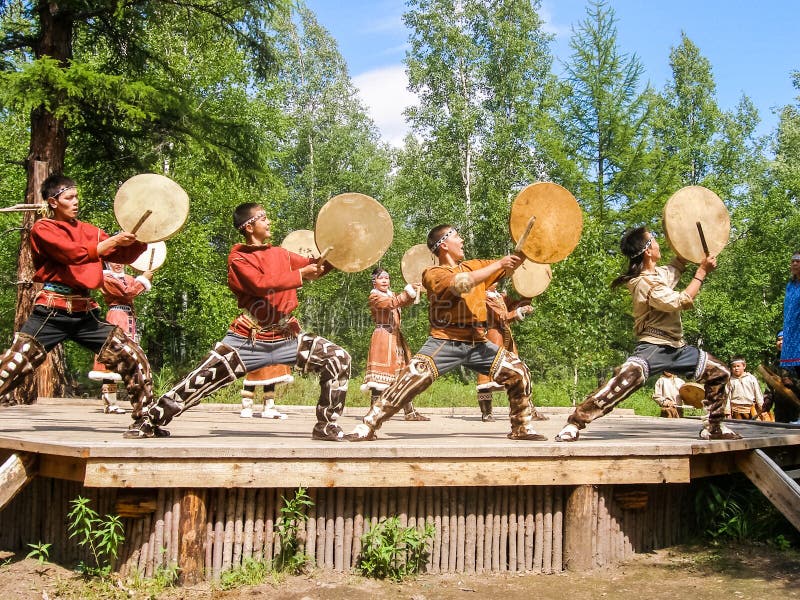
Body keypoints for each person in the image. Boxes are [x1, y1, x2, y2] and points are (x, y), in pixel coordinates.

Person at [131, 202, 352, 441]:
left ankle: (326, 425)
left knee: (338, 358)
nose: (269, 222)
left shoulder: (281, 254)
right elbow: (260, 284)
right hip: (248, 339)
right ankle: (150, 420)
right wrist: (300, 274)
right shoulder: (238, 259)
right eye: (263, 218)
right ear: (249, 226)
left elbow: (316, 267)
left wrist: (344, 249)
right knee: (198, 382)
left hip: (286, 336)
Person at [347, 224, 546, 442]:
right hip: (445, 341)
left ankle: (521, 427)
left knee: (518, 371)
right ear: (443, 244)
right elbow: (462, 284)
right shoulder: (433, 274)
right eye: (458, 237)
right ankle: (367, 426)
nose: (462, 242)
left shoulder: (474, 266)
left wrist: (530, 245)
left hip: (477, 343)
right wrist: (499, 263)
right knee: (411, 379)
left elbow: (509, 265)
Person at [555, 226, 740, 442]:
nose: (658, 243)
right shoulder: (642, 282)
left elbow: (678, 264)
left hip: (678, 348)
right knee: (622, 383)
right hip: (654, 347)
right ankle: (574, 423)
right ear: (647, 251)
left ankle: (713, 427)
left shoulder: (659, 274)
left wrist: (691, 240)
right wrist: (702, 272)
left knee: (719, 372)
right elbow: (679, 301)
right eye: (653, 240)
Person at [0, 174, 152, 428]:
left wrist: (142, 236)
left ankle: (146, 420)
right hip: (51, 310)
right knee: (14, 366)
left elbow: (121, 253)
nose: (76, 201)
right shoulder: (43, 229)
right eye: (69, 197)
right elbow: (73, 254)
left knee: (132, 356)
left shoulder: (89, 230)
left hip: (85, 313)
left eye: (76, 196)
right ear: (53, 202)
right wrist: (110, 241)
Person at [361, 267, 428, 421]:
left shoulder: (390, 295)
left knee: (404, 376)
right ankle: (374, 413)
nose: (385, 280)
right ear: (374, 282)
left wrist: (415, 290)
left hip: (395, 338)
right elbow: (393, 303)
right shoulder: (375, 297)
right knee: (379, 380)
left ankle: (410, 412)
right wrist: (408, 291)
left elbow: (402, 301)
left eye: (387, 278)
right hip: (383, 338)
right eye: (381, 278)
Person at [89, 262, 153, 414]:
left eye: (120, 261)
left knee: (132, 359)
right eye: (114, 261)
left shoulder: (128, 278)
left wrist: (147, 274)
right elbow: (127, 293)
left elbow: (132, 289)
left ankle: (139, 402)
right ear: (107, 263)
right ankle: (110, 403)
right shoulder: (107, 278)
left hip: (129, 318)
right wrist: (143, 279)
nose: (117, 265)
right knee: (112, 358)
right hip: (116, 317)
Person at [475, 283, 537, 422]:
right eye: (494, 279)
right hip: (493, 336)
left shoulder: (498, 296)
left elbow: (512, 304)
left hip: (505, 336)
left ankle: (525, 410)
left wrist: (528, 294)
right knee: (487, 374)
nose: (497, 281)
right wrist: (518, 310)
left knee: (517, 372)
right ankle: (487, 412)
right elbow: (501, 316)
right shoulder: (485, 298)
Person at [778, 252, 800, 424]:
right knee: (796, 373)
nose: (794, 264)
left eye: (798, 261)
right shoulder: (790, 285)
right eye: (792, 261)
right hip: (791, 333)